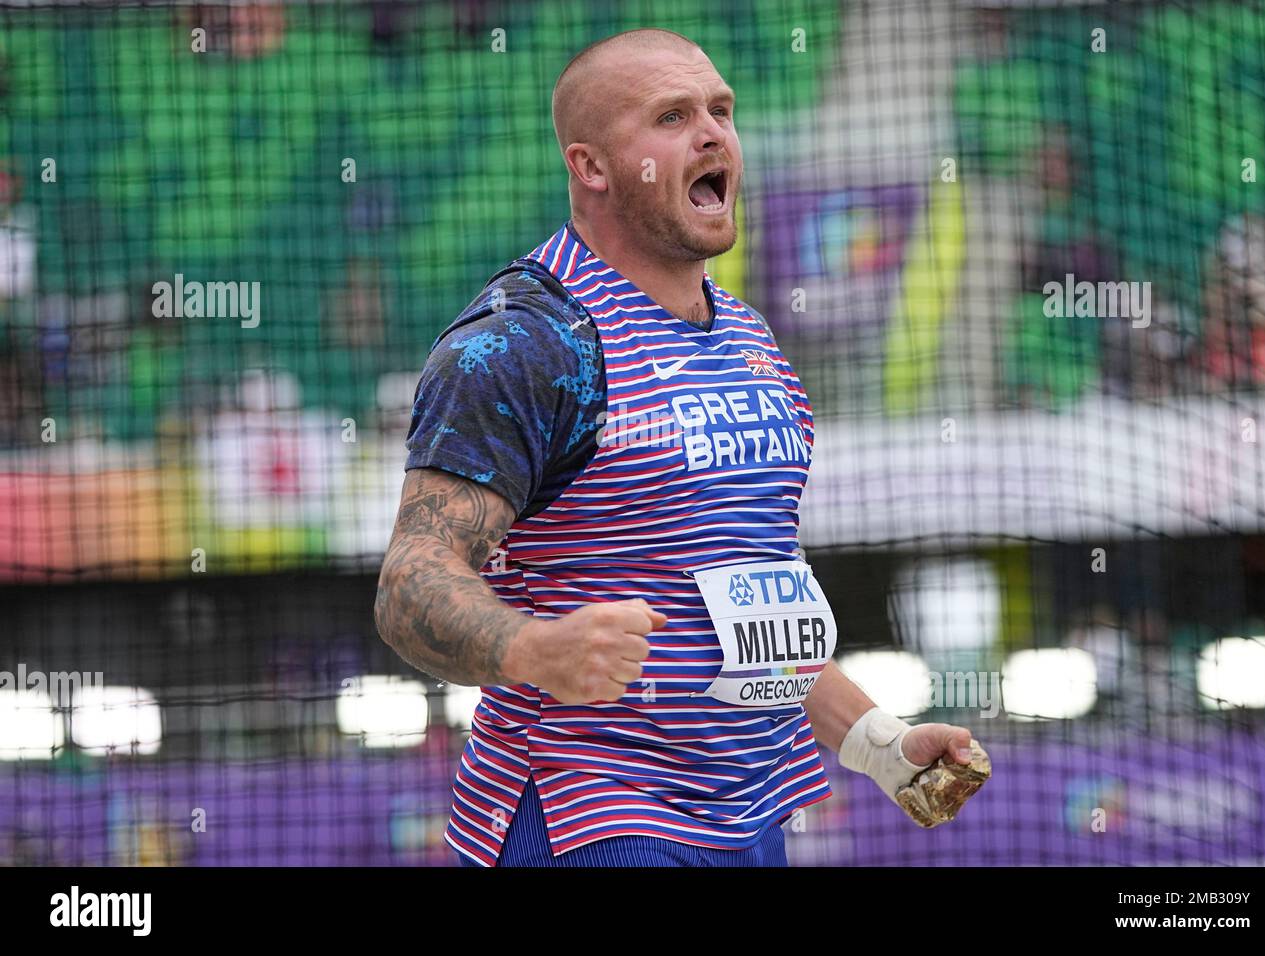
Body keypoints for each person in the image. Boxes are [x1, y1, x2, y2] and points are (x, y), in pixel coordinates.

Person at [375, 28, 985, 868]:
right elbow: (410, 583)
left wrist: (881, 745)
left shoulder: (750, 340)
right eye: (672, 115)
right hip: (591, 814)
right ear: (591, 167)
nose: (713, 134)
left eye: (721, 110)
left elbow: (754, 621)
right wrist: (533, 650)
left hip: (750, 817)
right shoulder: (526, 341)